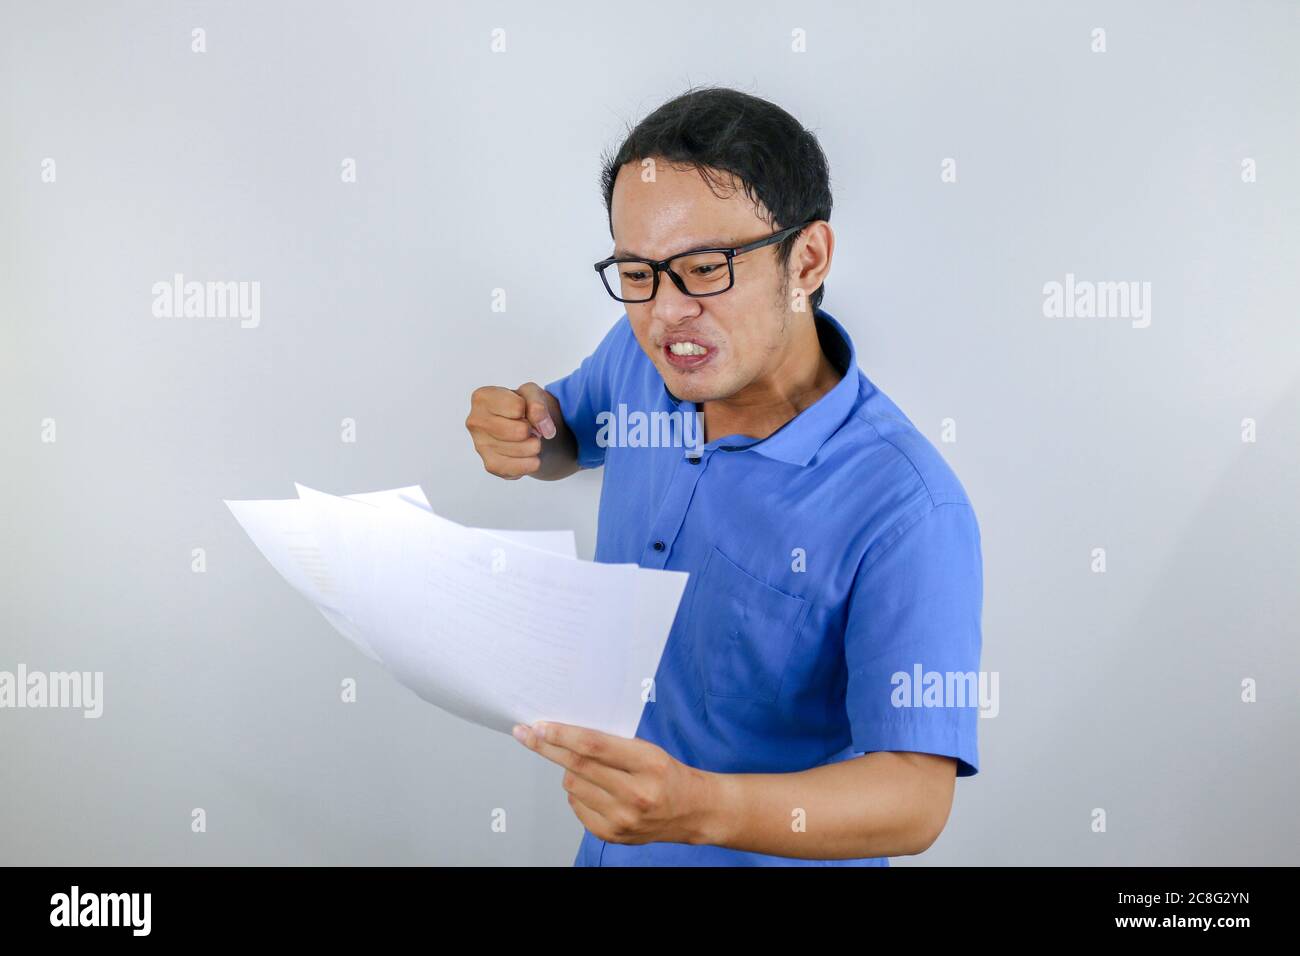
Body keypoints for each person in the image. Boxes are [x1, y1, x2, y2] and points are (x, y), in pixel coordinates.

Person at [464, 86, 984, 866]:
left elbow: (915, 797)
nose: (666, 314)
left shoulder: (909, 508)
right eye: (636, 273)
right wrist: (527, 431)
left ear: (805, 259)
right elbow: (571, 433)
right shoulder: (643, 359)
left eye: (703, 268)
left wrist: (697, 808)